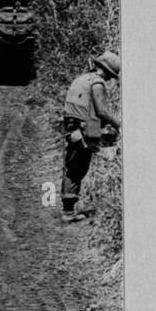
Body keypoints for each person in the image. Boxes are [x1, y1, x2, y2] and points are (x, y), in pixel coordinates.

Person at [60, 52, 122, 223]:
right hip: (84, 128)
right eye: (110, 76)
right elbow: (101, 111)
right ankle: (68, 212)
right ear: (107, 72)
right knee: (78, 168)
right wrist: (119, 124)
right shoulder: (97, 83)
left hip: (72, 127)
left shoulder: (82, 79)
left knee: (72, 166)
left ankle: (69, 208)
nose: (109, 80)